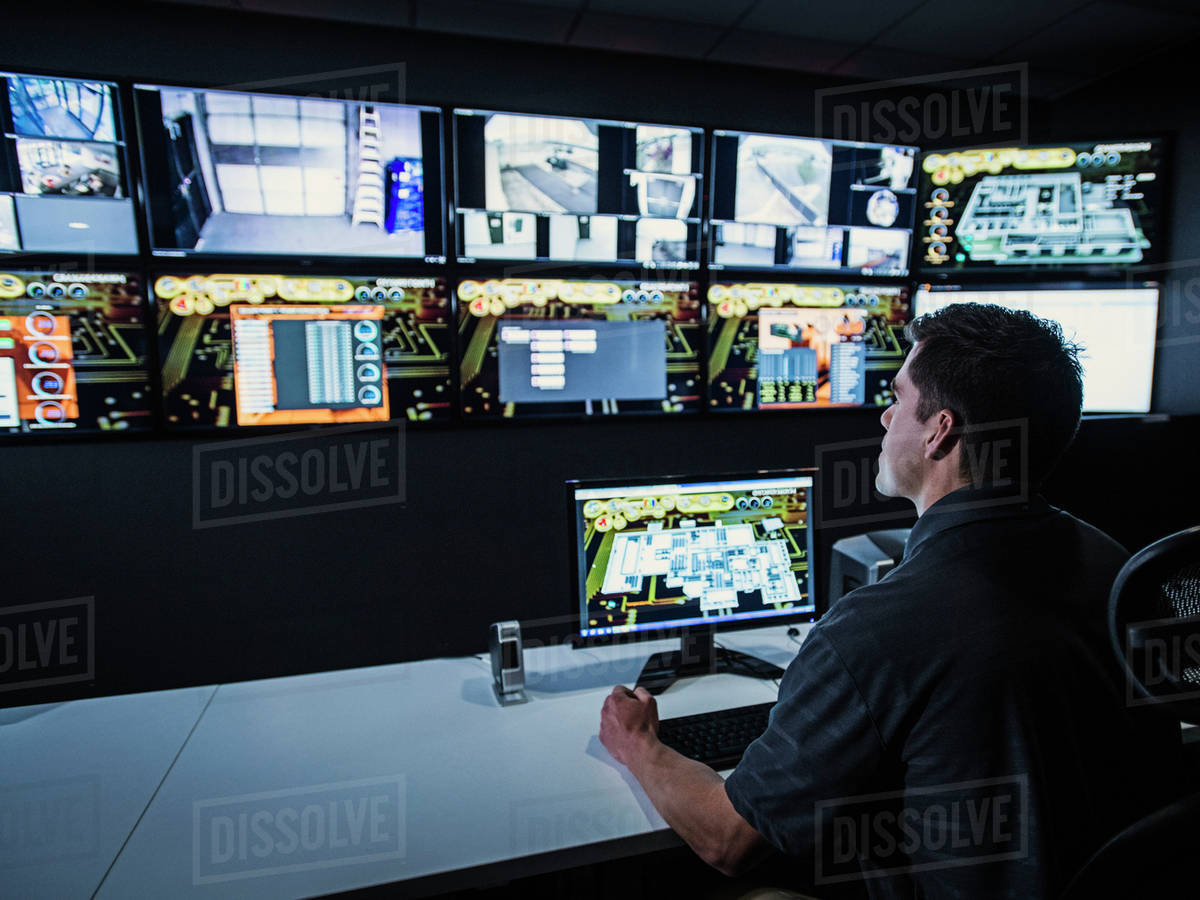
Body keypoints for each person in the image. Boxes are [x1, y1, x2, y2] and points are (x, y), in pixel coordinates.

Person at [599, 303, 1184, 898]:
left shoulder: (876, 630)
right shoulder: (1119, 567)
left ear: (939, 431)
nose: (884, 416)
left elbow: (727, 839)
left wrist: (639, 744)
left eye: (899, 398)